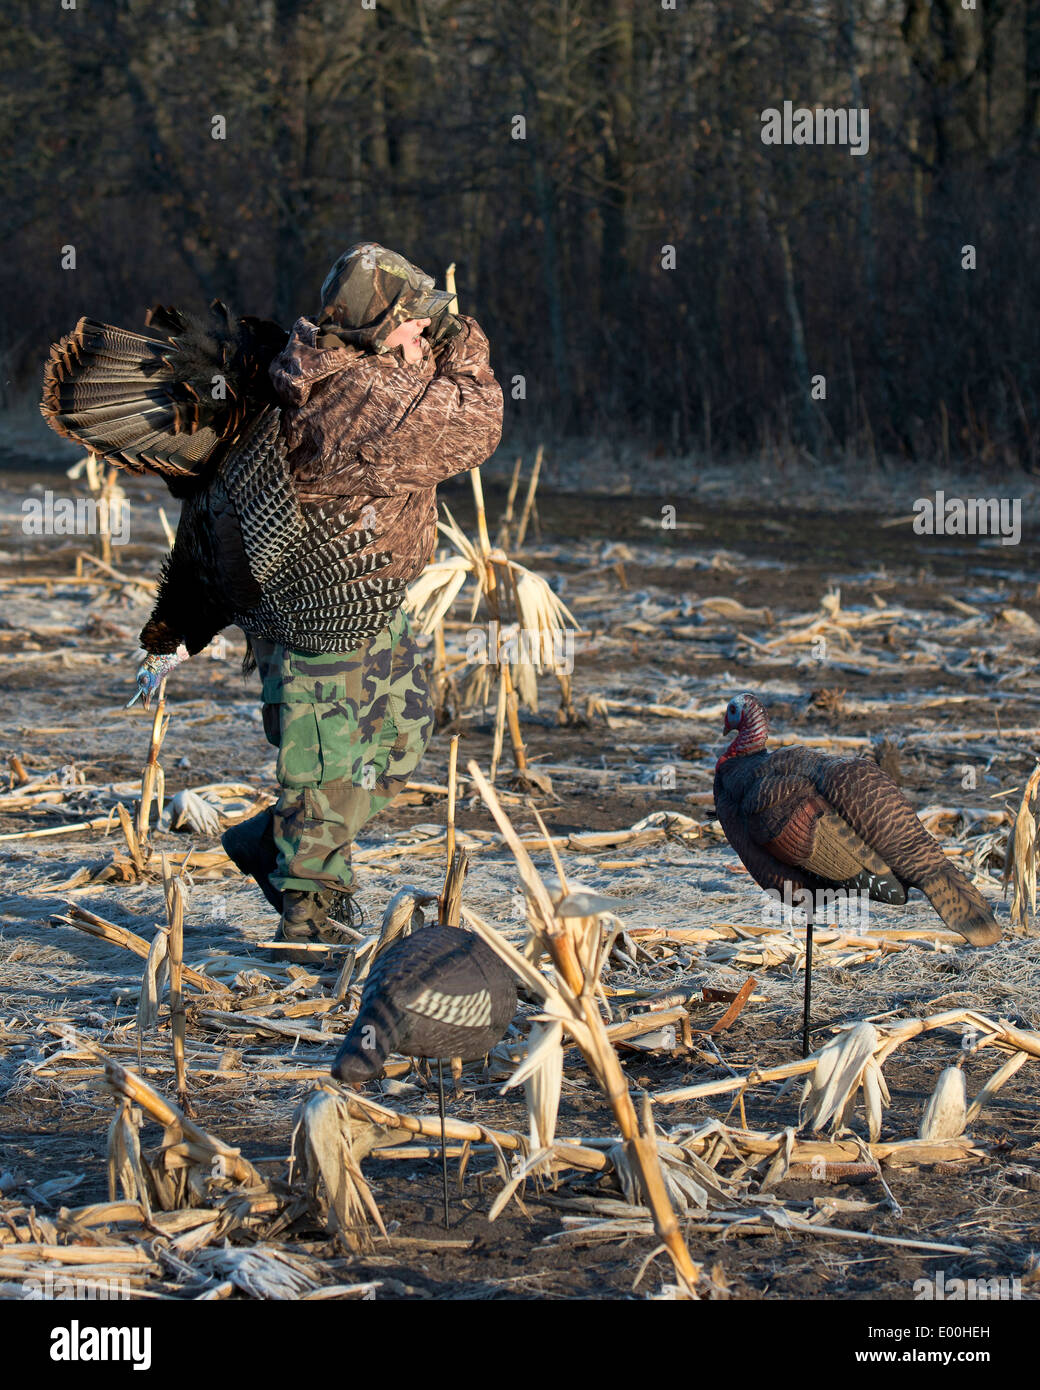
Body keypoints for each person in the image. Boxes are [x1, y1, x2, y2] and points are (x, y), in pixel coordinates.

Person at [221, 243, 503, 958]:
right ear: (381, 329)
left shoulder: (361, 374)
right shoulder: (351, 394)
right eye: (415, 327)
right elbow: (477, 422)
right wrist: (465, 343)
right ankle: (309, 916)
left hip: (370, 596)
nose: (424, 341)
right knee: (327, 761)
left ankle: (275, 841)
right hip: (324, 609)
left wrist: (431, 341)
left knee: (403, 736)